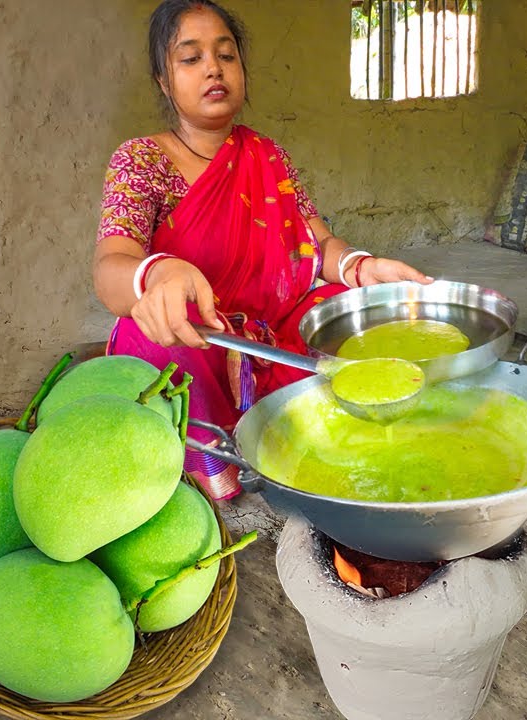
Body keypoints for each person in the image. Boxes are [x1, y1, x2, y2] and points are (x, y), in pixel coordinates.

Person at [92, 0, 432, 501]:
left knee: (356, 315)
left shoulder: (268, 155)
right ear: (164, 81)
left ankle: (300, 426)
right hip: (203, 344)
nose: (213, 68)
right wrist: (157, 274)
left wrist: (361, 268)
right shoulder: (142, 159)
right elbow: (110, 269)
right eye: (191, 58)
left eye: (226, 55)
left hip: (271, 336)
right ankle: (215, 457)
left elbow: (319, 245)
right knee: (159, 335)